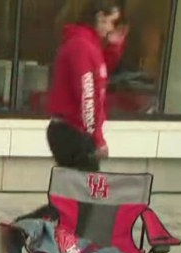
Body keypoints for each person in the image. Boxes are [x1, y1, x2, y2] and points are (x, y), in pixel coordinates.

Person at [47, 1, 127, 171]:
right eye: (112, 22)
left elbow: (100, 73)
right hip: (72, 130)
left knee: (78, 183)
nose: (111, 28)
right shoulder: (81, 46)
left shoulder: (90, 46)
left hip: (75, 129)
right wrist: (97, 139)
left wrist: (114, 47)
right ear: (100, 18)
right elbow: (87, 94)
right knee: (89, 183)